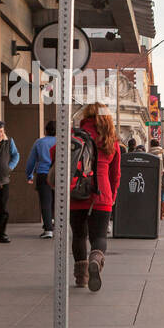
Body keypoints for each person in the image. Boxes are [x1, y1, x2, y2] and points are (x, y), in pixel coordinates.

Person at [51, 103, 120, 291]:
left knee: (79, 235)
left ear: (86, 116)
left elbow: (54, 153)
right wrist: (112, 196)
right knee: (99, 235)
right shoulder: (111, 141)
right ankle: (96, 260)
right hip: (102, 193)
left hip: (76, 191)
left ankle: (81, 277)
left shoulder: (74, 137)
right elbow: (116, 175)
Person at [25, 120, 57, 238]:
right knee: (58, 202)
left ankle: (48, 229)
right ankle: (57, 226)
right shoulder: (64, 142)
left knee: (45, 202)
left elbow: (31, 160)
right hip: (60, 174)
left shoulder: (39, 142)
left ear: (46, 130)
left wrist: (29, 175)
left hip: (43, 174)